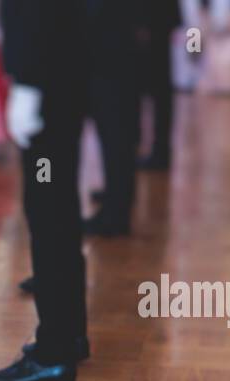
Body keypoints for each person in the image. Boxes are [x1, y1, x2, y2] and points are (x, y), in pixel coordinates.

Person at [0, 0, 89, 381]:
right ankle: (69, 334)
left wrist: (28, 82)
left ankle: (55, 350)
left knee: (48, 211)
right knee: (58, 207)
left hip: (46, 81)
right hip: (59, 77)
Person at [83, 0, 142, 236]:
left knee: (116, 131)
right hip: (110, 44)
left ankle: (116, 213)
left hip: (111, 47)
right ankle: (115, 200)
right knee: (115, 131)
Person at [138, 0, 181, 170]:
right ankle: (160, 150)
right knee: (160, 92)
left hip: (153, 21)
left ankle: (160, 152)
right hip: (157, 19)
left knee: (159, 92)